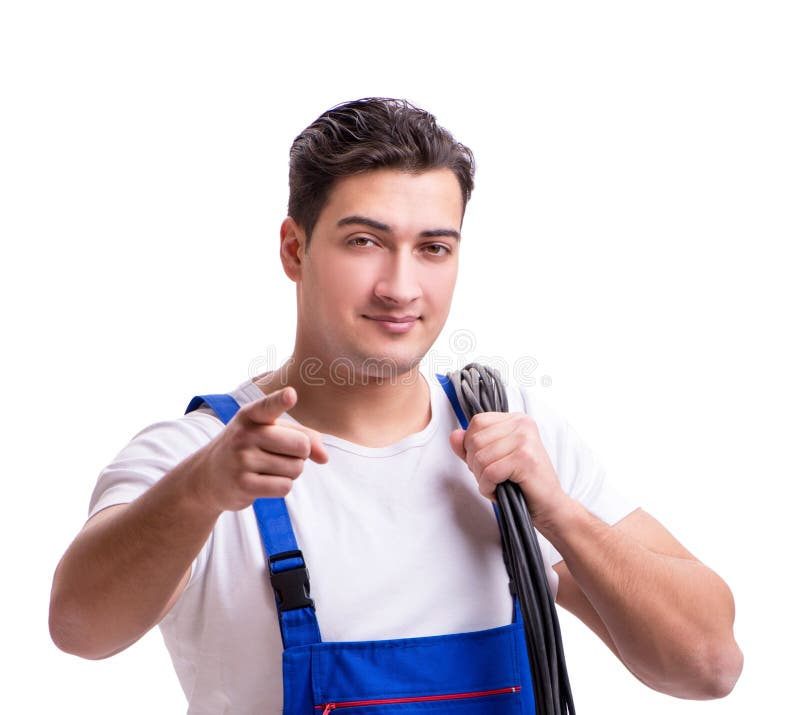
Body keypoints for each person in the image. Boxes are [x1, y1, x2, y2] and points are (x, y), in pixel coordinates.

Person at [49, 97, 743, 713]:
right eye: (364, 242)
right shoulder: (195, 456)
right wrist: (200, 491)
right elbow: (79, 628)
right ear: (294, 248)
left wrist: (556, 513)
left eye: (433, 248)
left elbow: (709, 665)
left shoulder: (515, 438)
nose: (400, 286)